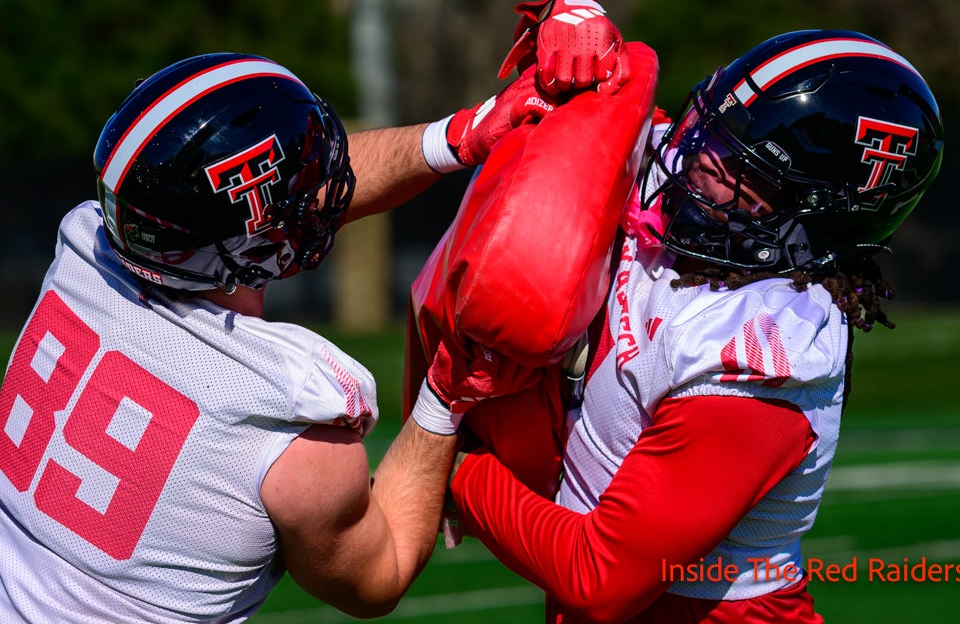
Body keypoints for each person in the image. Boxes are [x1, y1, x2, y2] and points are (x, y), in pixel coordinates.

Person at [0, 41, 597, 622]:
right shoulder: (287, 424)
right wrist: (444, 397)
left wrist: (456, 138)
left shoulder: (88, 250)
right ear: (259, 238)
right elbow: (377, 578)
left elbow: (275, 210)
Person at [426, 27, 944, 623]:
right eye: (713, 135)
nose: (700, 163)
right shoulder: (694, 184)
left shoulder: (769, 345)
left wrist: (455, 465)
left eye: (745, 171)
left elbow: (597, 576)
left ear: (822, 217)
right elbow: (608, 90)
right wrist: (574, 21)